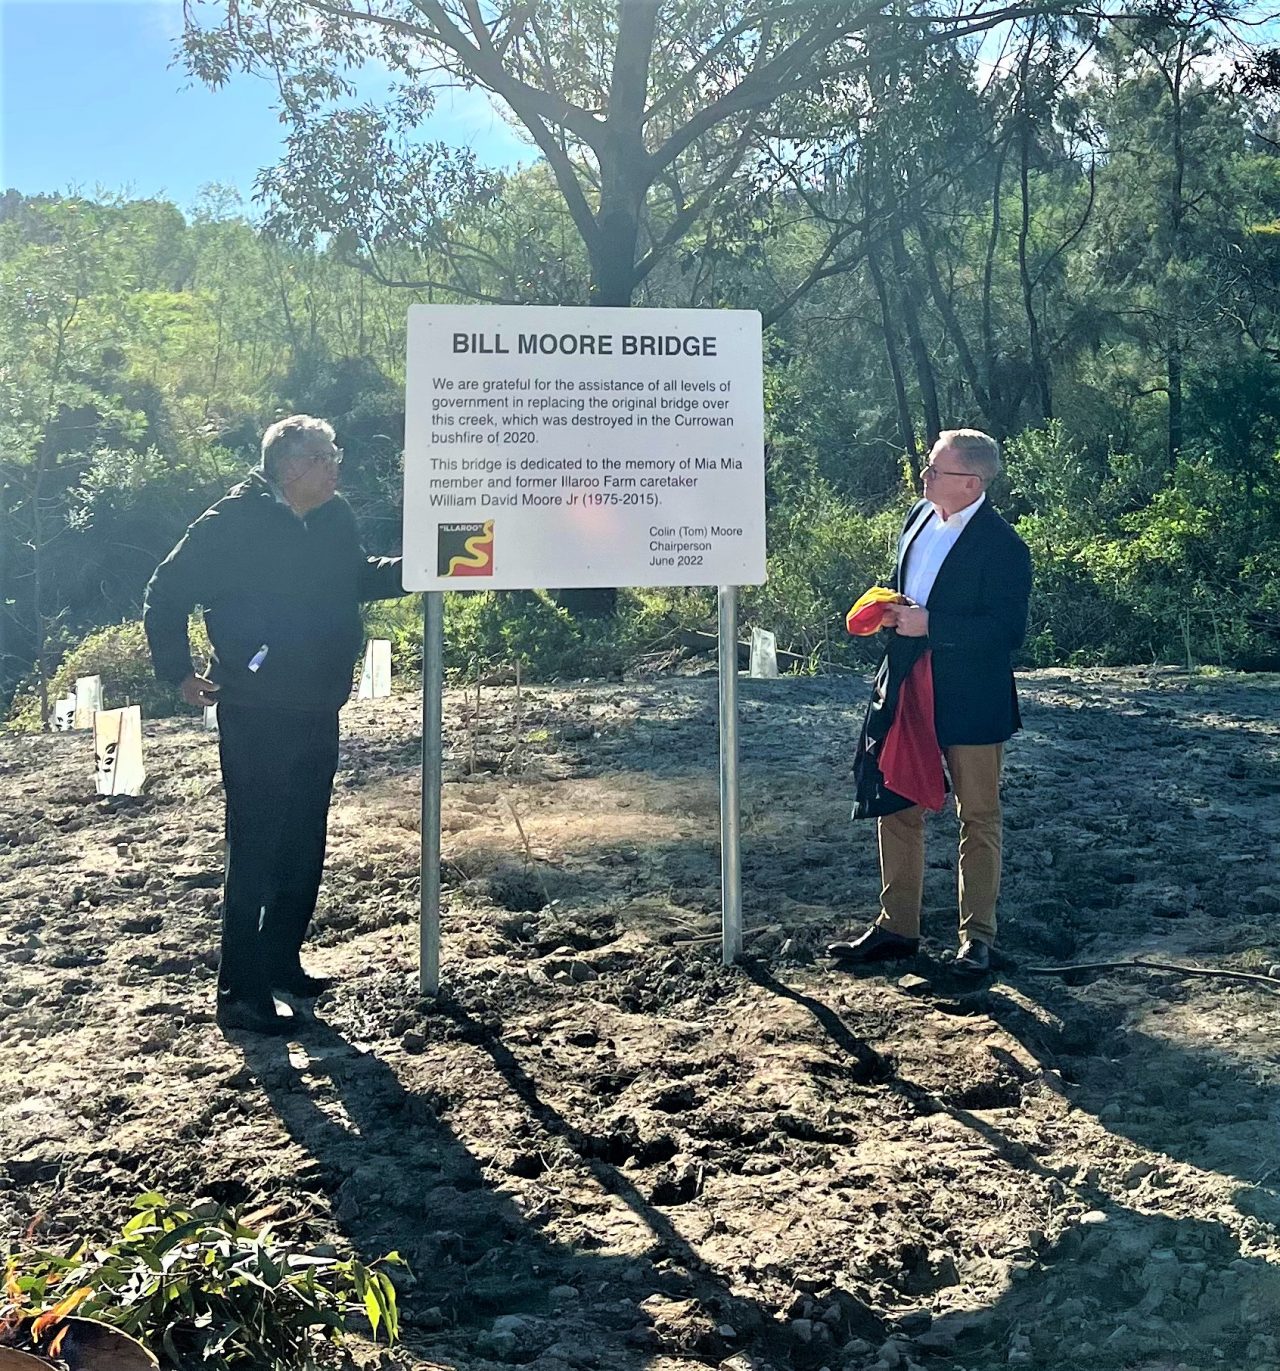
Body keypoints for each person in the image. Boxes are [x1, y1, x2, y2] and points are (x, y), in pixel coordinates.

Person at [144, 415, 405, 1034]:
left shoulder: (335, 517)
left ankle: (283, 963)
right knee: (256, 848)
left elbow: (357, 577)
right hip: (256, 709)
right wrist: (177, 672)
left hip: (318, 705)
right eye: (324, 455)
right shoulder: (229, 523)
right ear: (289, 467)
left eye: (335, 452)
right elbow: (165, 591)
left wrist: (424, 564)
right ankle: (240, 991)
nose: (337, 464)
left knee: (303, 843)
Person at [830, 429, 1031, 976]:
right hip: (906, 685)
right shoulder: (918, 519)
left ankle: (977, 940)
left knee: (979, 815)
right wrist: (890, 609)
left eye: (935, 471)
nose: (923, 478)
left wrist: (932, 625)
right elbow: (912, 590)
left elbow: (1008, 631)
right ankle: (898, 929)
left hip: (970, 696)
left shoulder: (1004, 546)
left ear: (971, 482)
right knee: (895, 802)